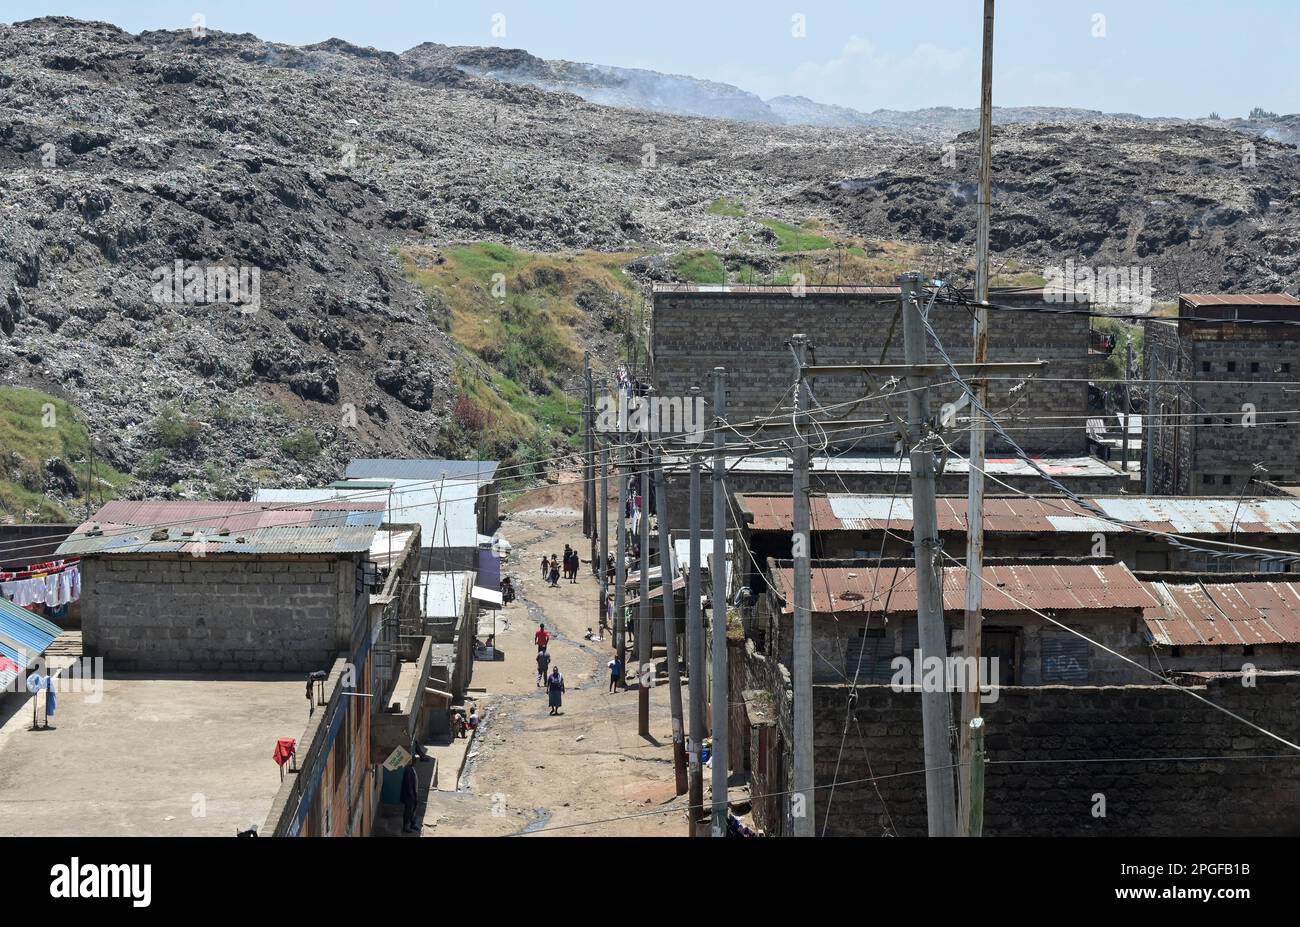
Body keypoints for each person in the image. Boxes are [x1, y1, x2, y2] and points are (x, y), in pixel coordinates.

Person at [400, 760, 420, 833]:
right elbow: (408, 784)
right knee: (408, 811)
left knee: (413, 809)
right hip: (410, 795)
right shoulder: (408, 770)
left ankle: (412, 824)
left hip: (413, 793)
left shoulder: (411, 768)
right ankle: (406, 826)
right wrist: (411, 794)